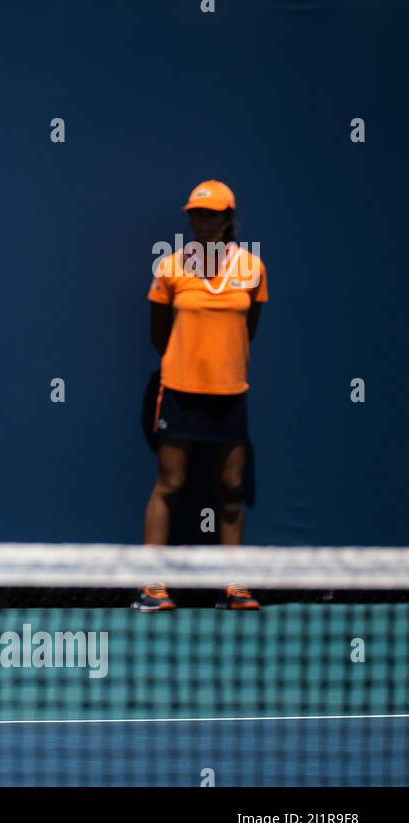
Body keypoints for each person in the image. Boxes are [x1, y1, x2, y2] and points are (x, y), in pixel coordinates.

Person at [136, 180, 265, 612]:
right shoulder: (170, 267)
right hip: (180, 391)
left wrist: (223, 363)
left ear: (228, 219)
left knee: (230, 487)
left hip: (230, 392)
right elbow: (159, 332)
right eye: (196, 214)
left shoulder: (252, 268)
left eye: (211, 214)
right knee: (170, 484)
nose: (201, 221)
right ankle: (152, 586)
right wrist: (186, 361)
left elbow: (250, 327)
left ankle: (234, 586)